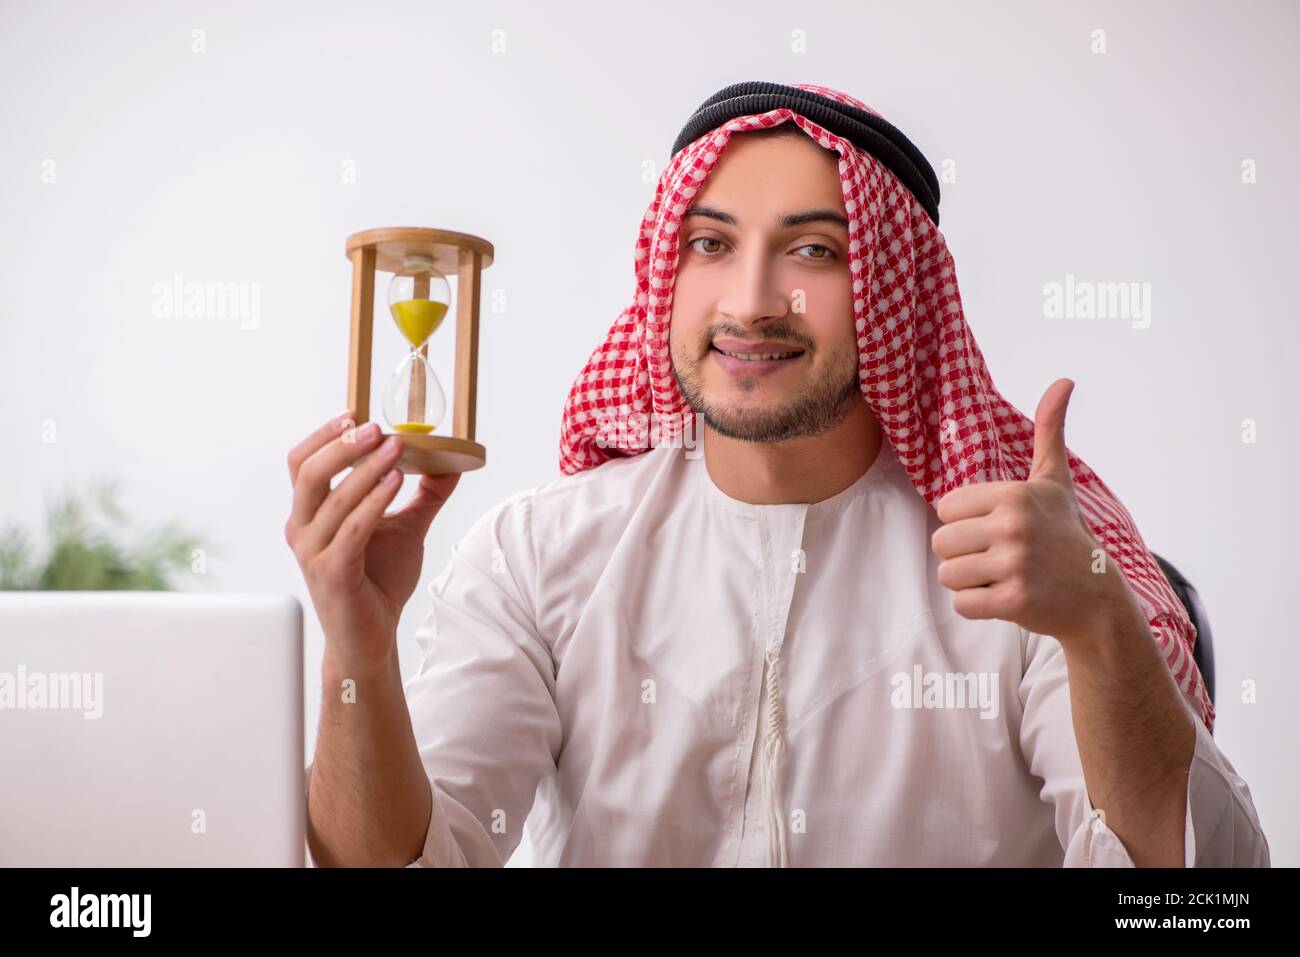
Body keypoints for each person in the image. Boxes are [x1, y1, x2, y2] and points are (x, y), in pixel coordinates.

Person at [293, 81, 1269, 867]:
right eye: (710, 246)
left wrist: (1098, 622)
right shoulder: (539, 552)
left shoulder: (1018, 564)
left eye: (813, 251)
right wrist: (357, 656)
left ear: (898, 293)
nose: (751, 301)